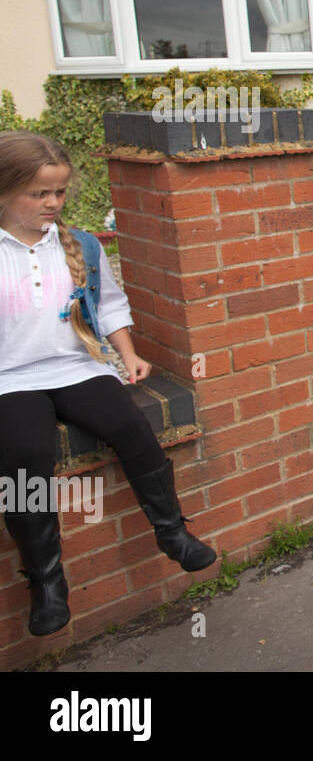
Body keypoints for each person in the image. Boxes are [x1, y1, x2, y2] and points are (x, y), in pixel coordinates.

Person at [0, 132, 216, 637]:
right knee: (24, 456)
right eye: (40, 193)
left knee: (131, 425)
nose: (53, 203)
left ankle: (173, 534)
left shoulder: (81, 246)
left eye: (59, 192)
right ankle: (47, 581)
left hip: (76, 366)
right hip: (10, 378)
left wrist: (129, 353)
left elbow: (111, 304)